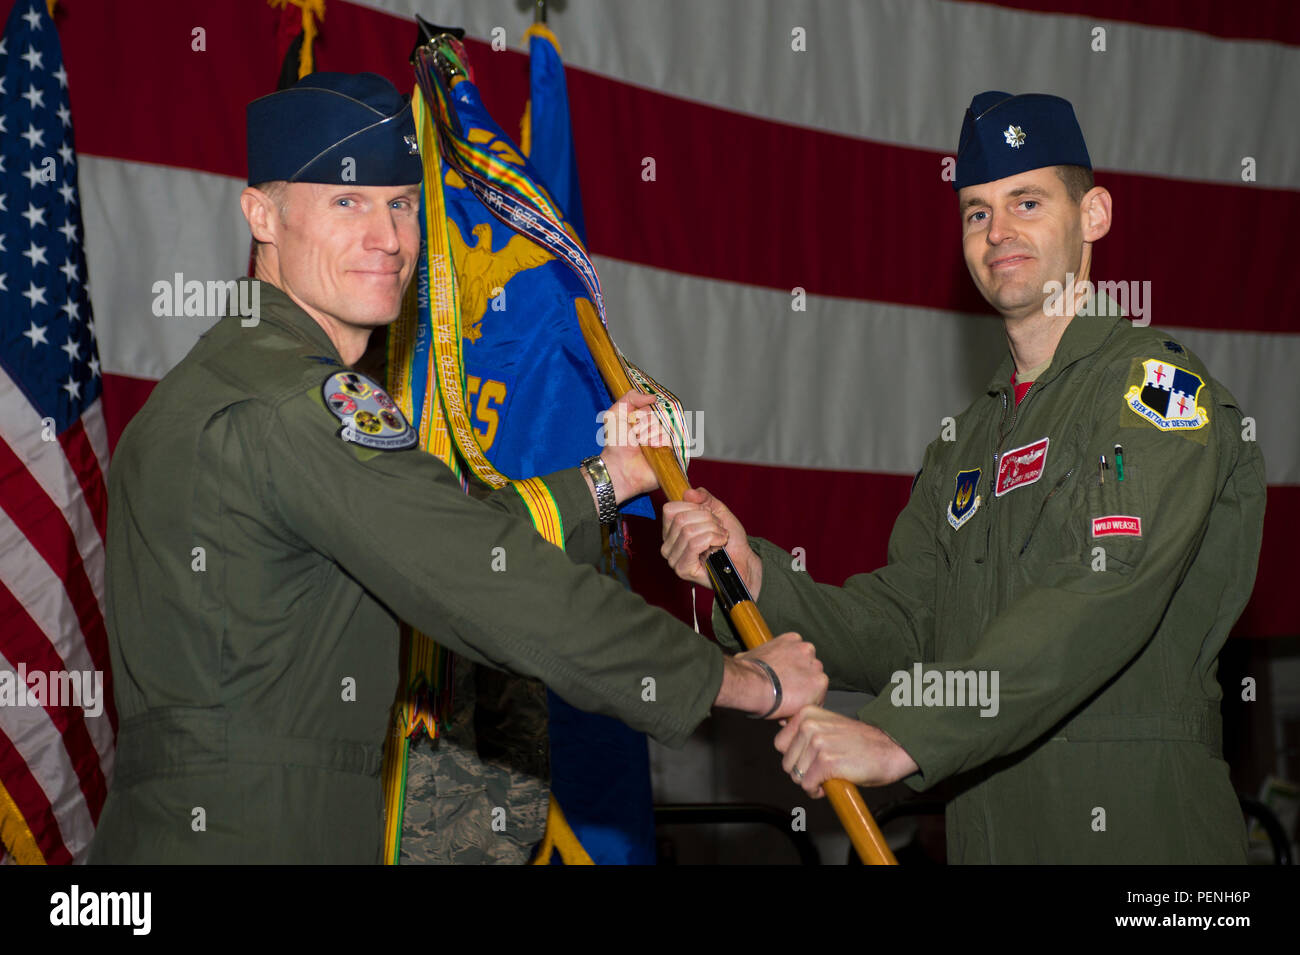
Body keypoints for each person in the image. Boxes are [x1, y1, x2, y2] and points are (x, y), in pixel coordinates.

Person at [89, 72, 827, 864]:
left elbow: (448, 543)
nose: (390, 238)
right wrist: (746, 680)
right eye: (347, 202)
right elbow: (496, 588)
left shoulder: (206, 388)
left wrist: (609, 477)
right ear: (261, 215)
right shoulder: (303, 404)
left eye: (402, 202)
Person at [662, 91, 1266, 864]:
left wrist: (899, 731)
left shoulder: (1155, 392)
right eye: (977, 212)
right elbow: (911, 623)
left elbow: (1097, 594)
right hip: (989, 828)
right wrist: (753, 577)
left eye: (1026, 201)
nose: (998, 231)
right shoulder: (969, 441)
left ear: (1095, 215)